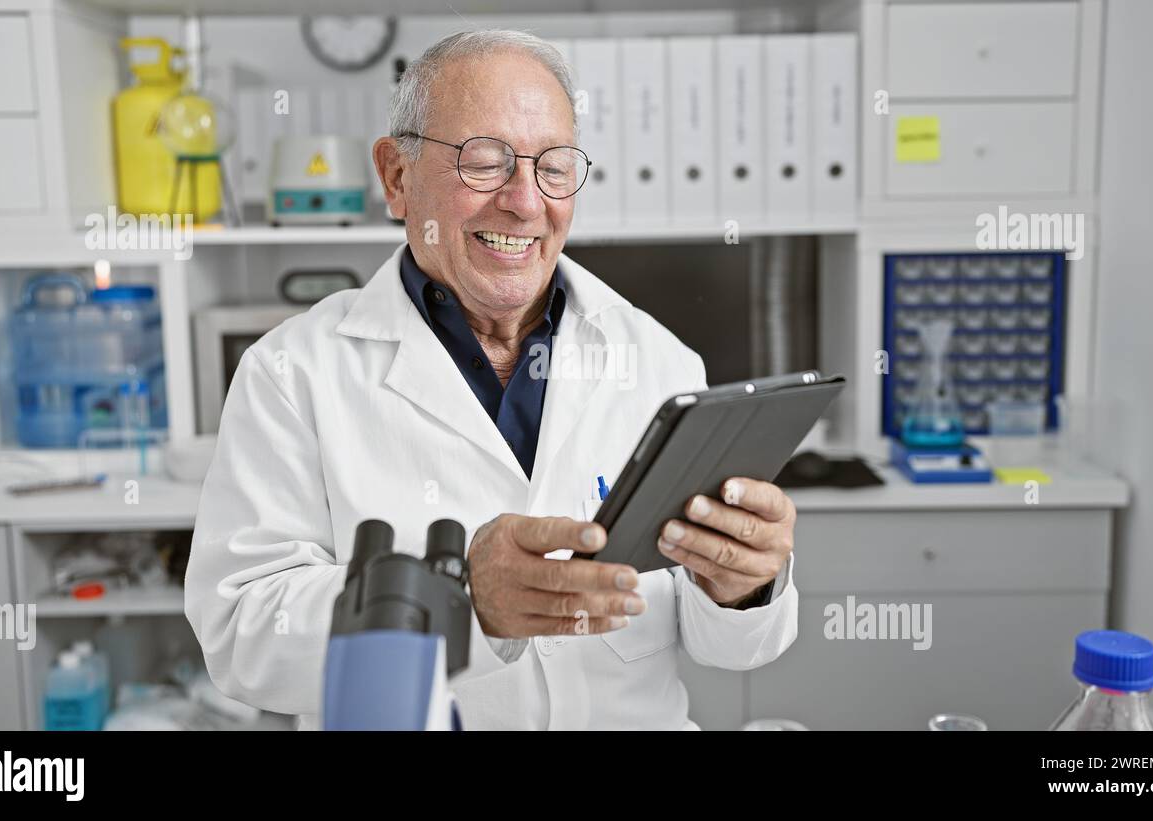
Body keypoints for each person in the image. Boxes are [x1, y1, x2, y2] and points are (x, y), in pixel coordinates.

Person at [185, 29, 798, 730]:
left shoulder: (658, 361)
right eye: (484, 162)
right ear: (396, 176)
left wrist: (743, 584)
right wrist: (459, 600)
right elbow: (239, 637)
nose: (525, 202)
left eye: (554, 167)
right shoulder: (291, 375)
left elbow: (728, 645)